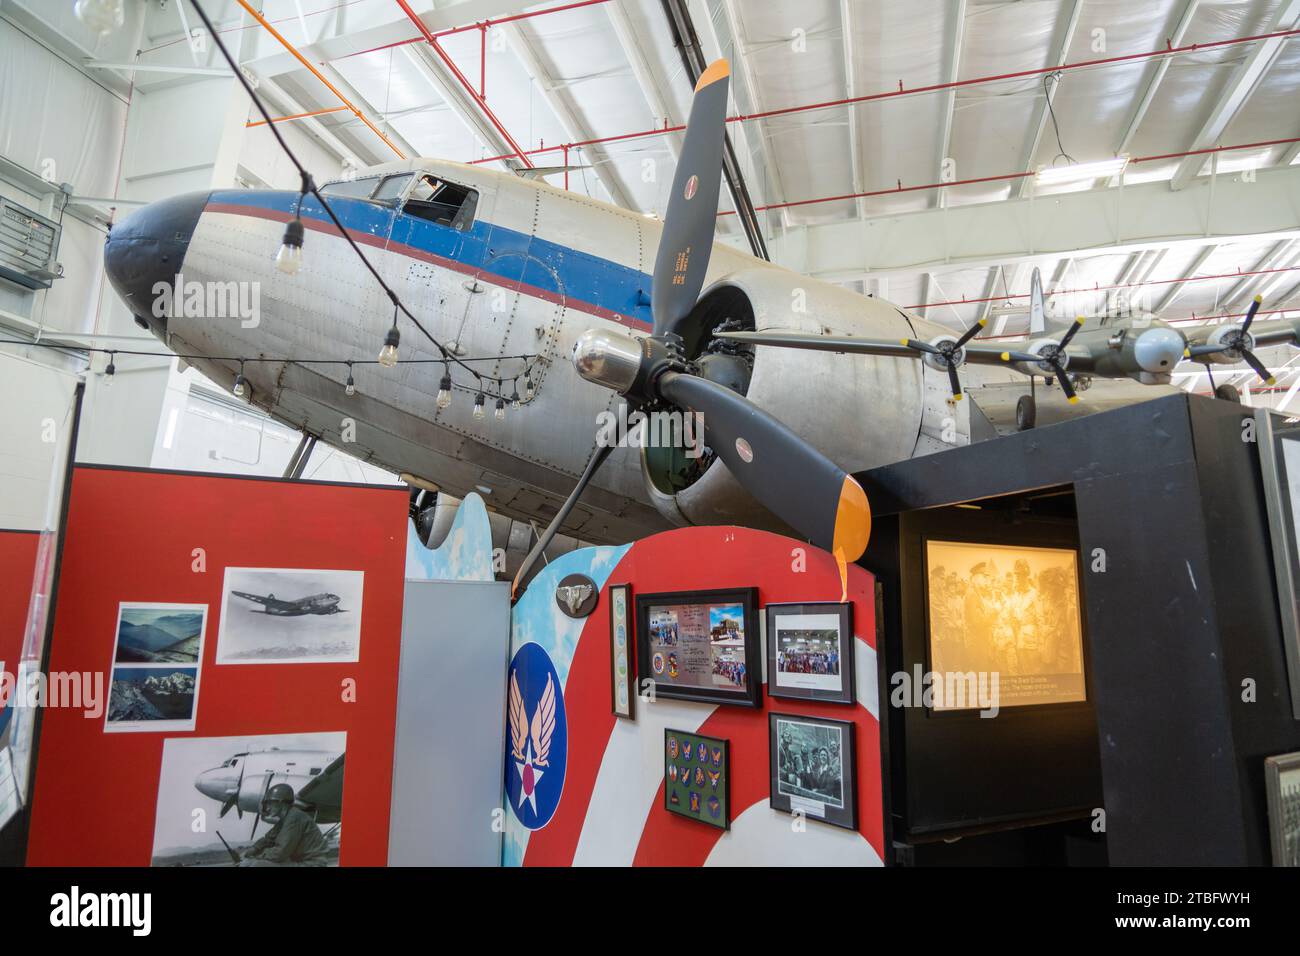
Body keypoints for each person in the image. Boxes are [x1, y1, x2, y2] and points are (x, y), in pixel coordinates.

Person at [238, 784, 331, 867]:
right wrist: (252, 849)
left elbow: (280, 853)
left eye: (270, 803)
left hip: (312, 864)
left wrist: (256, 857)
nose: (268, 807)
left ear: (281, 803)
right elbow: (268, 839)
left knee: (255, 865)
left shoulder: (294, 818)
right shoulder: (286, 818)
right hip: (302, 862)